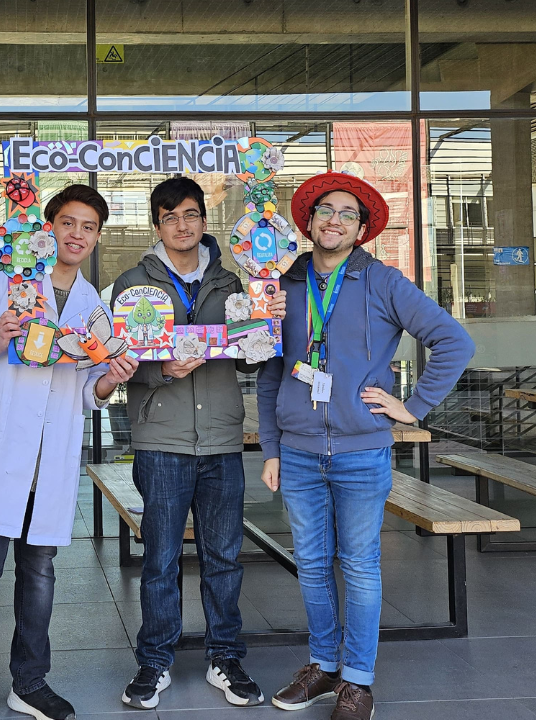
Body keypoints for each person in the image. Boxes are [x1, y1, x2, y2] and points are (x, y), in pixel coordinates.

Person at [257, 171, 475, 720]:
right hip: (300, 452)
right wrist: (272, 448)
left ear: (361, 228)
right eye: (325, 210)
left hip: (361, 451)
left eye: (347, 214)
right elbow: (268, 373)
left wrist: (414, 407)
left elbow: (454, 340)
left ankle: (357, 680)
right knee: (309, 564)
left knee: (358, 565)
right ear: (308, 221)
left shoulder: (382, 281)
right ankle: (323, 666)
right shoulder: (282, 284)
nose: (334, 220)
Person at [0, 184, 139, 720]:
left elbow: (91, 387)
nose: (77, 235)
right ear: (47, 228)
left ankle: (29, 683)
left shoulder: (93, 301)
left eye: (88, 227)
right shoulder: (3, 282)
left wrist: (112, 378)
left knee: (40, 575)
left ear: (96, 238)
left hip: (49, 461)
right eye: (68, 223)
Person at [110, 177, 286, 711]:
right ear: (156, 225)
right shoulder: (132, 284)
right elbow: (120, 364)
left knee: (224, 557)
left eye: (190, 215)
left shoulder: (237, 283)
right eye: (169, 218)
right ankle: (155, 661)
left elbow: (253, 356)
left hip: (220, 440)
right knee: (161, 558)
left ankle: (225, 659)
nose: (182, 226)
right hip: (160, 439)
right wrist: (161, 369)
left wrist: (268, 323)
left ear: (204, 222)